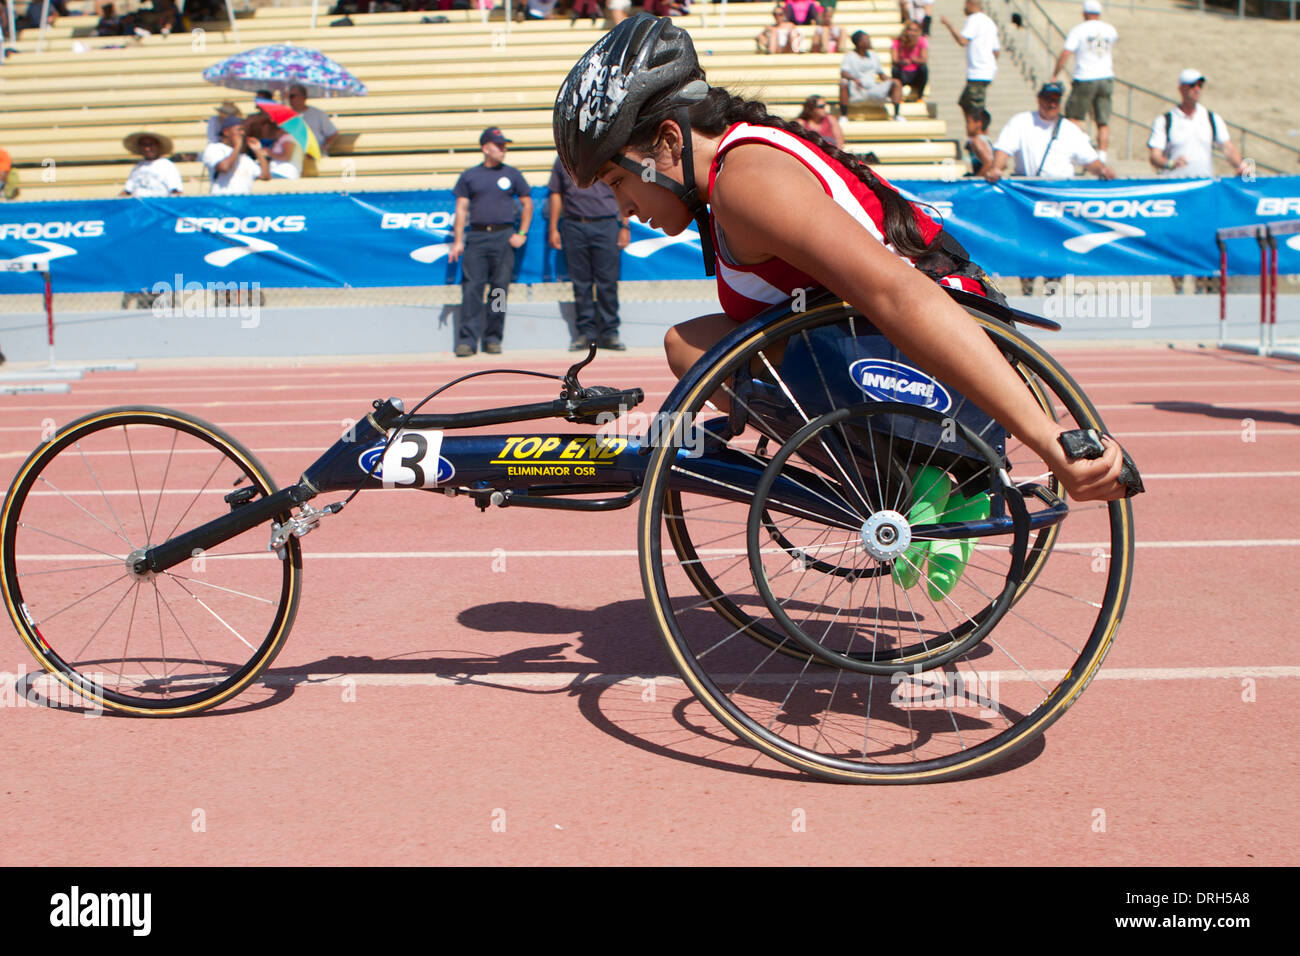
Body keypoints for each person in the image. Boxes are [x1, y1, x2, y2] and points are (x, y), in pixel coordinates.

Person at [553, 14, 1133, 503]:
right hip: (898, 362)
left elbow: (897, 293)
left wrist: (1048, 440)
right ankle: (899, 489)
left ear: (670, 144)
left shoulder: (745, 184)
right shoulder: (729, 180)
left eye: (615, 180)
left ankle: (920, 493)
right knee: (692, 346)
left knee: (707, 354)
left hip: (949, 376)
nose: (623, 207)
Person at [449, 127, 533, 357]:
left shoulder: (512, 174)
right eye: (499, 145)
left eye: (505, 146)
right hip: (476, 238)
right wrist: (458, 241)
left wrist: (522, 233)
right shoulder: (470, 176)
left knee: (499, 291)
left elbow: (528, 204)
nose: (504, 150)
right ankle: (467, 340)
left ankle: (493, 338)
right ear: (486, 148)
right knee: (472, 289)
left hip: (503, 237)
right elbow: (461, 208)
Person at [548, 157, 629, 351]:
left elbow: (623, 188)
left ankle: (610, 333)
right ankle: (586, 334)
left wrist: (624, 226)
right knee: (581, 283)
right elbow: (556, 194)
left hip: (606, 224)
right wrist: (553, 228)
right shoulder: (563, 161)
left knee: (607, 282)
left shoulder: (607, 155)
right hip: (574, 225)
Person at [984, 82, 1114, 181]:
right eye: (1048, 99)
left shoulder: (1070, 129)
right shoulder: (1021, 121)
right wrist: (996, 168)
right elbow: (1004, 148)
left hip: (1061, 192)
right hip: (1029, 192)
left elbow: (1089, 160)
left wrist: (1102, 170)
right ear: (1039, 100)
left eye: (1056, 100)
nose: (1052, 104)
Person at [1147, 69, 1247, 178]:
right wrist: (1171, 164)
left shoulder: (1211, 118)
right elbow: (1155, 157)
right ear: (1181, 89)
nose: (1197, 89)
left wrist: (1242, 166)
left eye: (1200, 85)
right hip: (1175, 188)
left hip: (1203, 188)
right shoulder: (1165, 121)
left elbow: (1227, 147)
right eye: (1192, 85)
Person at [1053, 0, 1117, 162]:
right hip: (1106, 76)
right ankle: (1102, 155)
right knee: (1102, 120)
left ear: (1084, 13)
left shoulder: (1078, 30)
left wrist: (1055, 73)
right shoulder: (1109, 30)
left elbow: (1066, 52)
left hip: (1085, 76)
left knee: (1074, 116)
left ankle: (1083, 146)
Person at [941, 0, 999, 119]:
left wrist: (949, 25)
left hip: (978, 72)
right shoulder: (989, 22)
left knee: (975, 109)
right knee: (965, 102)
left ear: (970, 4)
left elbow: (963, 40)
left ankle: (979, 133)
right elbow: (996, 51)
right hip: (986, 71)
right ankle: (976, 130)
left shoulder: (974, 19)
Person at [839, 30, 904, 121]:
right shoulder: (850, 56)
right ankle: (843, 115)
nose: (870, 41)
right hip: (857, 90)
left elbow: (880, 74)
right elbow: (844, 73)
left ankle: (897, 115)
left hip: (874, 89)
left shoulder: (874, 55)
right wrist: (854, 79)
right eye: (867, 39)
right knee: (843, 82)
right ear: (859, 42)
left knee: (896, 83)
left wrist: (888, 80)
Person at [200, 117, 271, 195]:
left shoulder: (243, 157)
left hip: (242, 203)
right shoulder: (214, 148)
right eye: (239, 130)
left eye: (243, 130)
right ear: (226, 132)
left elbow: (265, 176)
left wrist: (258, 151)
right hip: (221, 201)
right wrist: (237, 146)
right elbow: (224, 167)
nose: (242, 133)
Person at [120, 131, 183, 197]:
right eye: (143, 145)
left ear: (158, 146)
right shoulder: (137, 168)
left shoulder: (168, 166)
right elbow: (128, 190)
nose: (147, 149)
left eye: (150, 145)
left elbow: (176, 191)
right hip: (139, 205)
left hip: (159, 204)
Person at [287, 84, 340, 156]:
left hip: (315, 154)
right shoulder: (286, 116)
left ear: (303, 97)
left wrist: (323, 148)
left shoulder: (318, 114)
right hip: (293, 154)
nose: (289, 99)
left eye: (292, 96)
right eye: (288, 96)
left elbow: (333, 133)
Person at [891, 19, 929, 100]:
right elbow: (894, 60)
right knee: (895, 69)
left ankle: (920, 95)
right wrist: (902, 62)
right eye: (910, 30)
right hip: (903, 72)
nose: (912, 33)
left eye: (915, 31)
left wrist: (914, 60)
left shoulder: (922, 41)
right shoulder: (897, 42)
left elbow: (924, 59)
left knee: (924, 69)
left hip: (915, 73)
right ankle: (897, 96)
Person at [964, 108, 992, 176]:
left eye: (968, 122)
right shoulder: (986, 140)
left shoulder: (977, 141)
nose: (966, 126)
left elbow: (989, 163)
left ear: (978, 124)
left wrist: (976, 180)